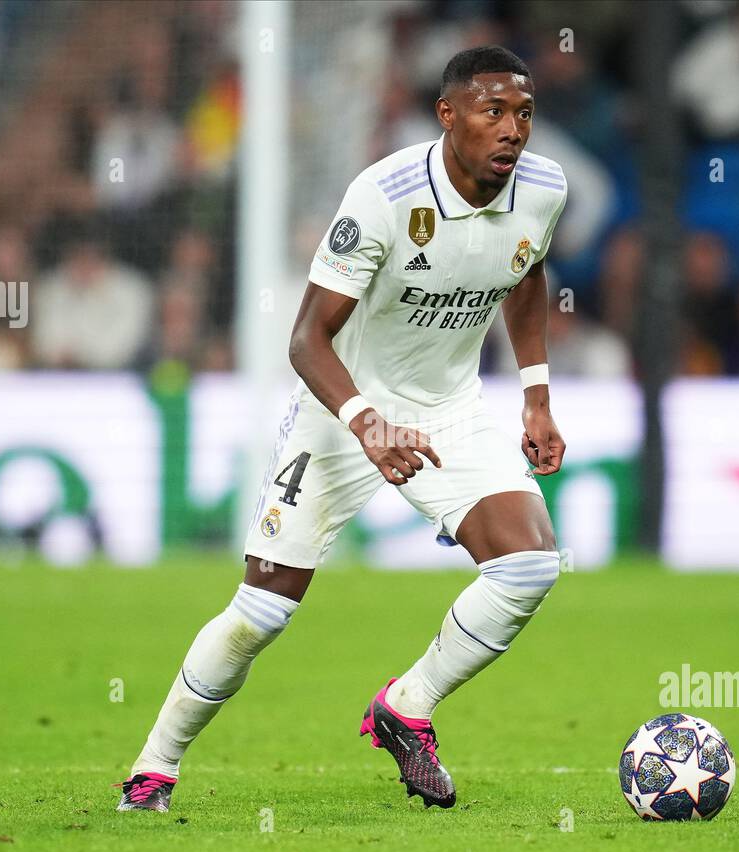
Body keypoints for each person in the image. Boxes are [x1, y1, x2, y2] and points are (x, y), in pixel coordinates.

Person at [118, 46, 568, 812]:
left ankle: (407, 706)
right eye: (493, 111)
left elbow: (524, 273)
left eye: (523, 113)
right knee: (261, 612)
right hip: (342, 412)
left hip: (451, 410)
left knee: (530, 566)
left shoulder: (545, 189)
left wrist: (536, 394)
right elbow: (304, 340)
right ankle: (155, 766)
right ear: (448, 115)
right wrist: (367, 424)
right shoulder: (385, 196)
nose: (513, 130)